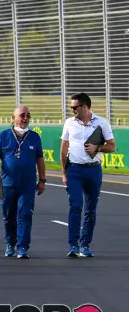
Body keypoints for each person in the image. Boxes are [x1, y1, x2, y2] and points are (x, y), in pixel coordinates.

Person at [60, 92, 115, 258]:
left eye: (74, 107)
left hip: (93, 170)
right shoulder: (69, 123)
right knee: (76, 206)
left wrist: (97, 148)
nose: (72, 110)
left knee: (90, 210)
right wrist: (64, 172)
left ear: (84, 107)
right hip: (74, 170)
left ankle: (85, 245)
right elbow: (63, 148)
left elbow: (112, 146)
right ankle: (73, 245)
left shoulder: (102, 123)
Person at [0, 106, 46, 259]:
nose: (25, 118)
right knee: (8, 215)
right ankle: (10, 242)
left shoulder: (35, 137)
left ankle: (22, 247)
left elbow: (40, 160)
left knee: (25, 215)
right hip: (7, 184)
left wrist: (42, 180)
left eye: (28, 115)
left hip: (27, 185)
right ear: (13, 117)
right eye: (22, 115)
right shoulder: (4, 136)